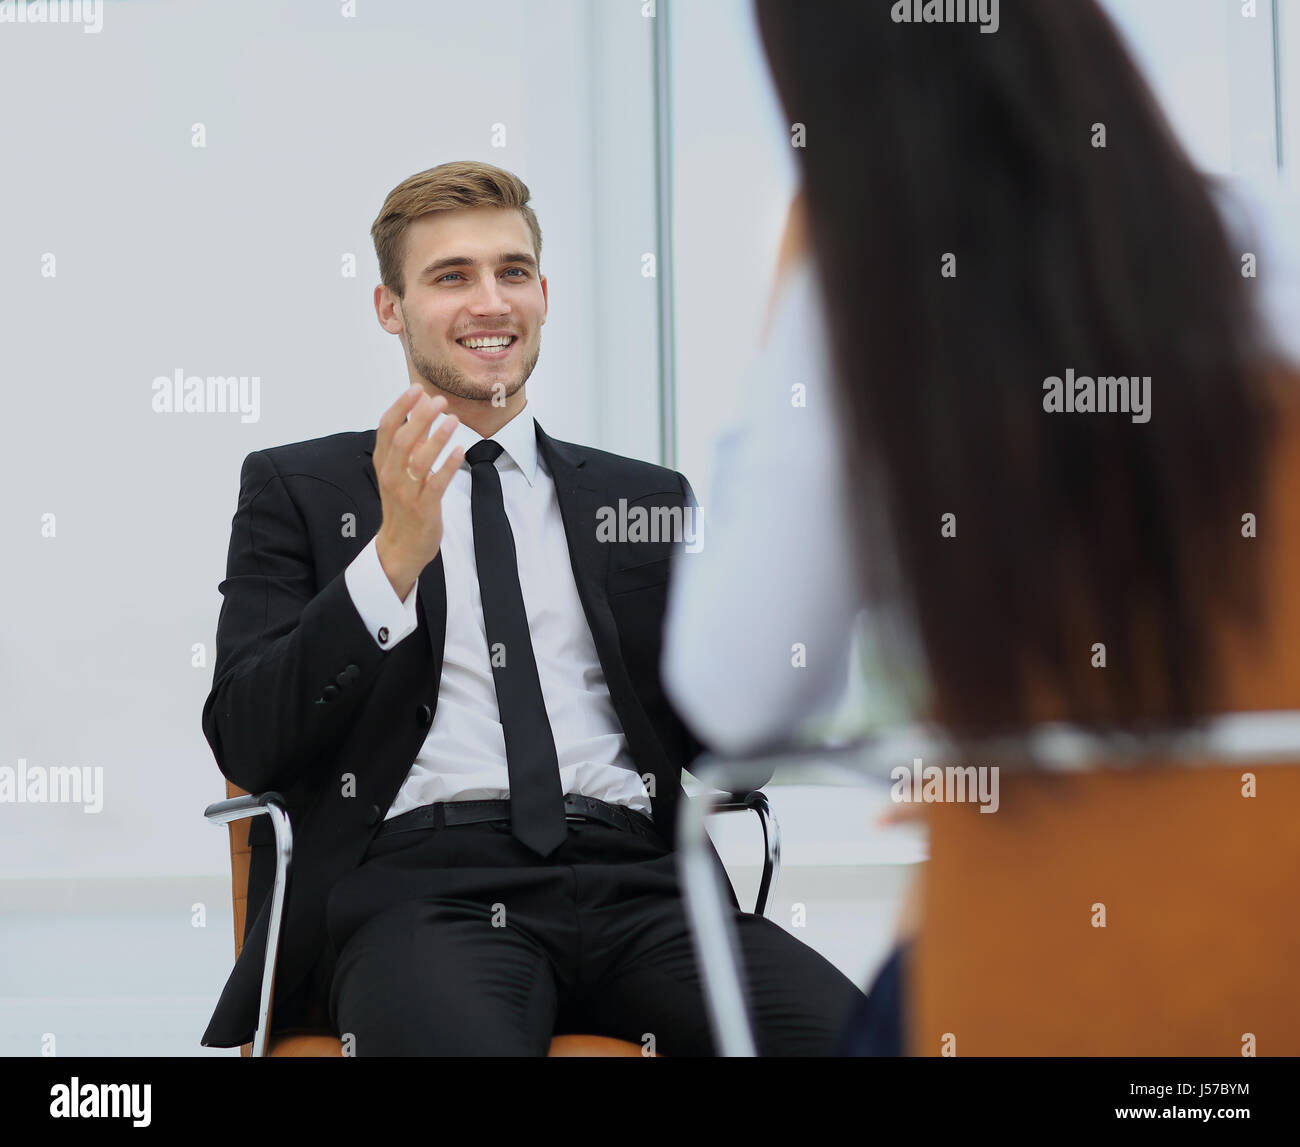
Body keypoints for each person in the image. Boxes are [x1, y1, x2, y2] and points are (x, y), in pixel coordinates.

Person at [663, 0, 1300, 1053]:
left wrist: (791, 315)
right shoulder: (1265, 240)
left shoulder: (870, 306)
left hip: (1034, 993)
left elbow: (732, 695)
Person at [198, 160, 865, 1055]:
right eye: (450, 276)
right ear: (389, 308)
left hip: (646, 883)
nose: (490, 301)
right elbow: (248, 733)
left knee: (857, 1038)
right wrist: (392, 558)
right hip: (423, 891)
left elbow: (729, 745)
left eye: (512, 272)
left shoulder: (643, 494)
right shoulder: (299, 487)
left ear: (544, 293)